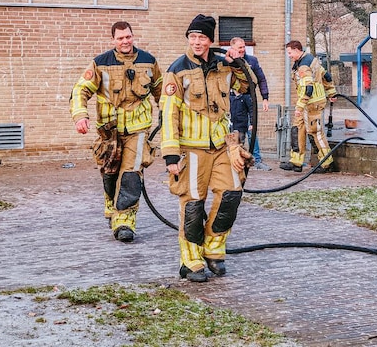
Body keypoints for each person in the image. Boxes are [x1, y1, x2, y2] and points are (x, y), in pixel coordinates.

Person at [160, 14, 252, 283]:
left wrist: (237, 64)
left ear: (210, 40)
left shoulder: (223, 66)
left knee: (231, 194)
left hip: (223, 145)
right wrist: (171, 153)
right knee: (192, 205)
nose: (197, 42)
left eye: (202, 37)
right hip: (191, 149)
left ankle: (213, 248)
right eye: (193, 37)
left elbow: (246, 85)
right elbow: (169, 113)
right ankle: (191, 260)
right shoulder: (178, 69)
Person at [70, 21, 162, 243]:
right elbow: (80, 90)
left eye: (128, 37)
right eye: (120, 38)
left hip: (138, 129)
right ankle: (111, 204)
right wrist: (80, 115)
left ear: (133, 36)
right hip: (109, 131)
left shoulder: (148, 61)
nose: (125, 41)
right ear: (113, 40)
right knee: (110, 173)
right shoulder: (100, 63)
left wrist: (169, 118)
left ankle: (124, 222)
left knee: (131, 174)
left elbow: (161, 92)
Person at [281, 40, 337, 173]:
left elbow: (308, 89)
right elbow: (326, 76)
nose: (289, 56)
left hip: (312, 104)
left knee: (315, 132)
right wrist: (331, 92)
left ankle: (327, 163)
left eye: (290, 53)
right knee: (297, 130)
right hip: (308, 103)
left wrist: (300, 107)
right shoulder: (311, 60)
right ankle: (296, 162)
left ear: (296, 50)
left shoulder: (303, 66)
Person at [227, 37, 271, 171]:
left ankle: (256, 160)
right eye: (239, 47)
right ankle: (237, 159)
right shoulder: (227, 62)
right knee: (237, 130)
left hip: (249, 97)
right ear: (232, 48)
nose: (242, 49)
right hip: (235, 98)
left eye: (243, 46)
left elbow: (261, 79)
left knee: (252, 128)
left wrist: (265, 98)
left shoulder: (252, 60)